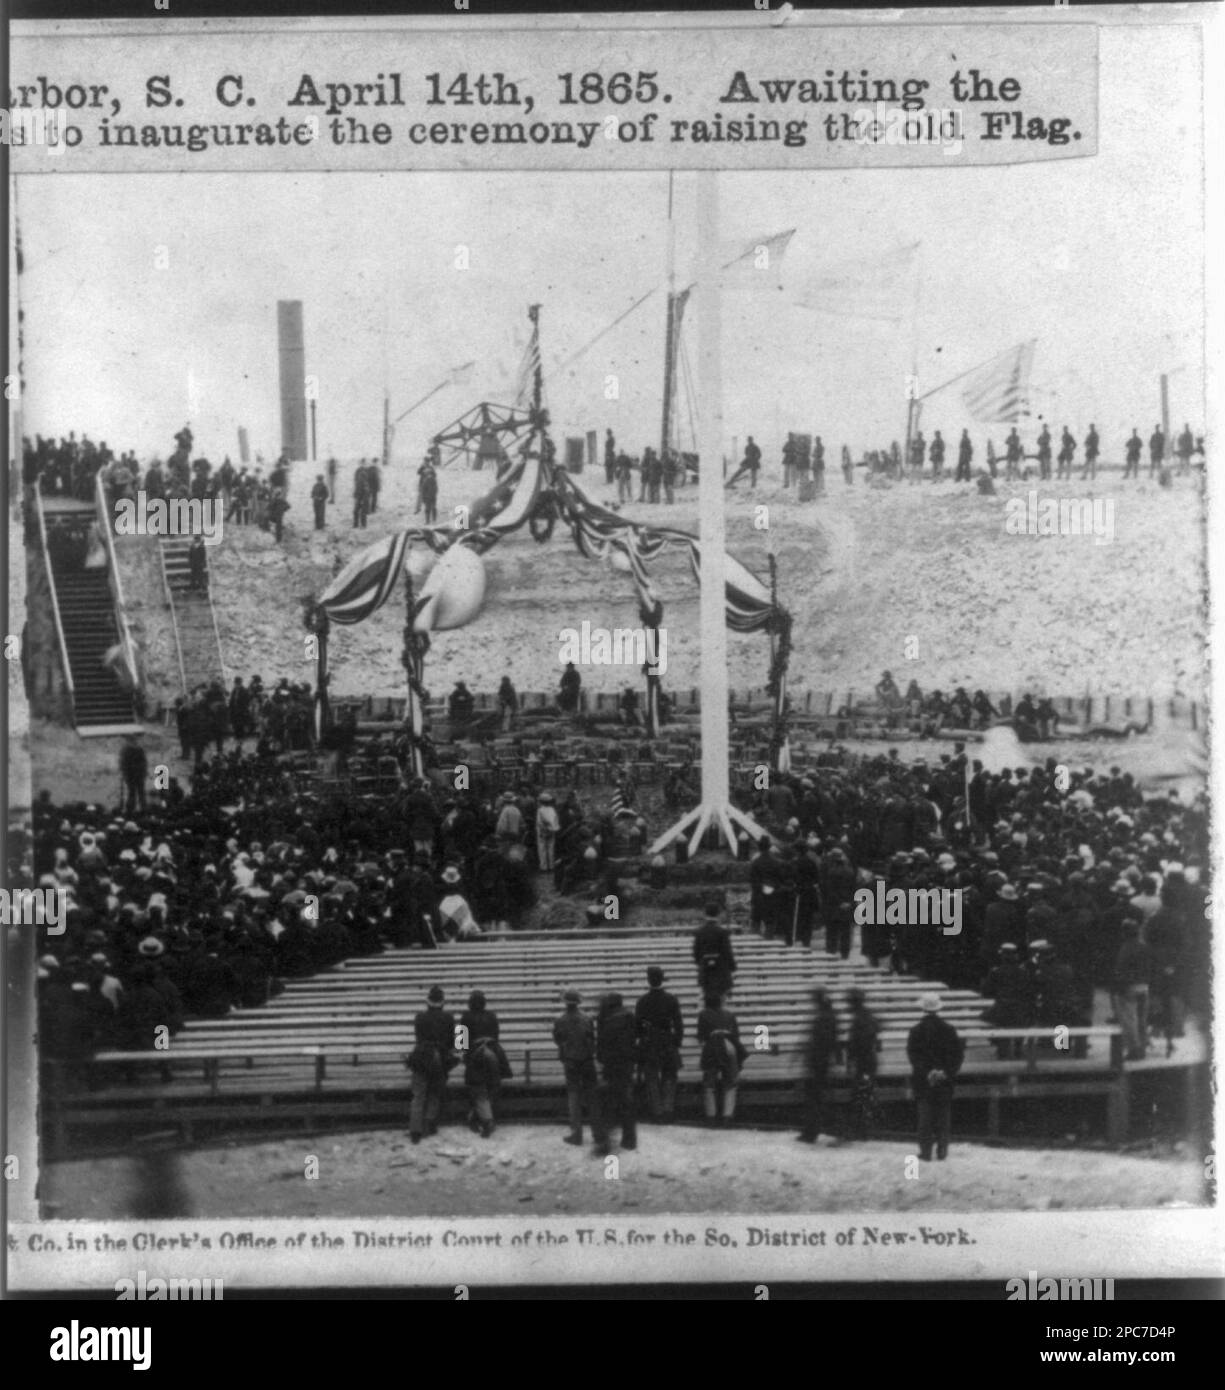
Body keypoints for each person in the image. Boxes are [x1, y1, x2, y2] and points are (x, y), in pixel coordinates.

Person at [906, 993, 964, 1161]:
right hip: (945, 1079)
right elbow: (957, 1056)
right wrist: (945, 1072)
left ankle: (925, 1151)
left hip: (924, 1079)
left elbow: (913, 1056)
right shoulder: (949, 1029)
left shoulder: (916, 1030)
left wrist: (927, 1072)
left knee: (925, 1116)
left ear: (922, 1008)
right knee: (943, 1115)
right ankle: (942, 1149)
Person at [406, 985, 456, 1143]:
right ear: (443, 1003)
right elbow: (456, 1044)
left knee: (418, 1094)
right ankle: (429, 1124)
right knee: (435, 1092)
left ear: (428, 1002)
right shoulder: (449, 1018)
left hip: (422, 1056)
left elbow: (418, 1040)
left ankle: (415, 1131)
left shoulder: (419, 1017)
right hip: (439, 1057)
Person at [635, 965, 683, 1122]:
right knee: (669, 1075)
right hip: (667, 1040)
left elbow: (637, 1026)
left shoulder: (642, 1001)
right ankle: (668, 1110)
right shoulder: (671, 999)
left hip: (650, 1041)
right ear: (663, 979)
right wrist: (676, 1041)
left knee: (652, 1077)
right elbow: (678, 1024)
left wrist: (643, 1039)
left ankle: (657, 1112)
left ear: (648, 980)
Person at [553, 988, 600, 1146]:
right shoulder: (587, 1019)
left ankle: (576, 1134)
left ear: (566, 1003)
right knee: (592, 1097)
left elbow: (558, 1039)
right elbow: (591, 1038)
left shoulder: (560, 1021)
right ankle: (597, 1133)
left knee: (574, 1097)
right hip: (587, 1060)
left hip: (570, 1060)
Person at [459, 989, 509, 1138]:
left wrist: (465, 1057)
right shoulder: (492, 1016)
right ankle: (480, 1116)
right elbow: (497, 1036)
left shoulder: (465, 1017)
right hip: (494, 1050)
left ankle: (486, 1120)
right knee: (493, 1084)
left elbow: (461, 1043)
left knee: (477, 1088)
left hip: (476, 1053)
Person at [593, 992, 638, 1155]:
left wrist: (603, 1059)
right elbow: (635, 1039)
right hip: (626, 1064)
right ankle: (629, 1140)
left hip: (611, 1066)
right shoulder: (629, 1016)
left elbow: (600, 1045)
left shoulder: (604, 1018)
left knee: (609, 1102)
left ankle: (606, 1141)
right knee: (627, 1101)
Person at [797, 988, 839, 1143]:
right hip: (824, 1061)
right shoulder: (831, 1016)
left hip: (818, 1062)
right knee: (821, 1097)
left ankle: (811, 1132)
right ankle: (817, 1131)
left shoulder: (822, 1018)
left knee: (814, 1099)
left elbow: (816, 1042)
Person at [697, 992, 744, 1126]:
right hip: (728, 1047)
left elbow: (701, 1036)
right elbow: (736, 1036)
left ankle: (711, 1116)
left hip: (712, 1047)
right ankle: (727, 1116)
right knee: (731, 1082)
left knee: (709, 1083)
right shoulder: (730, 1014)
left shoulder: (703, 1014)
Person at [845, 988, 882, 1139]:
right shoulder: (866, 1016)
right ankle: (862, 1128)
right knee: (864, 1094)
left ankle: (862, 1130)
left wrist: (850, 1059)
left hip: (864, 1061)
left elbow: (857, 1042)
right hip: (867, 1060)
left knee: (862, 1095)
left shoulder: (861, 1018)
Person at [693, 901, 736, 998]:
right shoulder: (722, 932)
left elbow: (696, 954)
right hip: (720, 972)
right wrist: (732, 967)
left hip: (705, 972)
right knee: (721, 1000)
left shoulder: (699, 932)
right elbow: (727, 953)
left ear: (705, 913)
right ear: (718, 914)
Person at [119, 735, 148, 815]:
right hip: (139, 774)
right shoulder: (139, 749)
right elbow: (144, 762)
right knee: (141, 792)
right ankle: (143, 808)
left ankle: (131, 809)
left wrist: (124, 773)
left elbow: (123, 763)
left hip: (131, 774)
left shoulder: (126, 750)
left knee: (132, 792)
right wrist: (144, 772)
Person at [535, 792, 560, 872]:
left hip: (543, 831)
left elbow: (539, 822)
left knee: (542, 849)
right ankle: (551, 866)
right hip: (552, 830)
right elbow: (556, 820)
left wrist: (543, 830)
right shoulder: (552, 809)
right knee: (551, 848)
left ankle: (544, 867)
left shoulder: (540, 810)